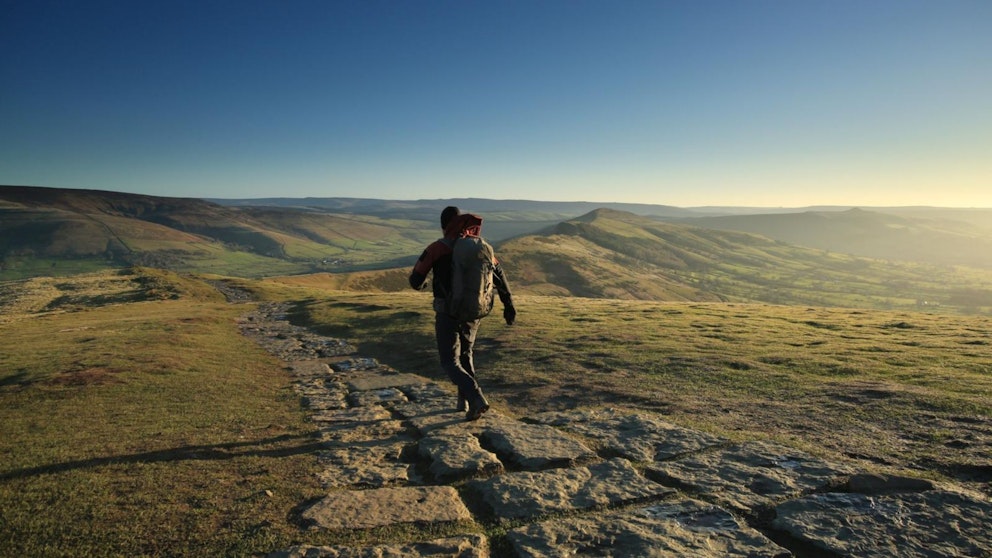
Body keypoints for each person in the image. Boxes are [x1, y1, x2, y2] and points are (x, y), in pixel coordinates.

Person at [409, 206, 516, 421]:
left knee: (449, 361)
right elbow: (499, 274)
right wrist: (508, 303)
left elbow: (415, 280)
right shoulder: (479, 247)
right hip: (472, 311)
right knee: (466, 356)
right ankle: (465, 403)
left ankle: (476, 398)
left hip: (447, 312)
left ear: (443, 224)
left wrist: (425, 285)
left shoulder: (437, 248)